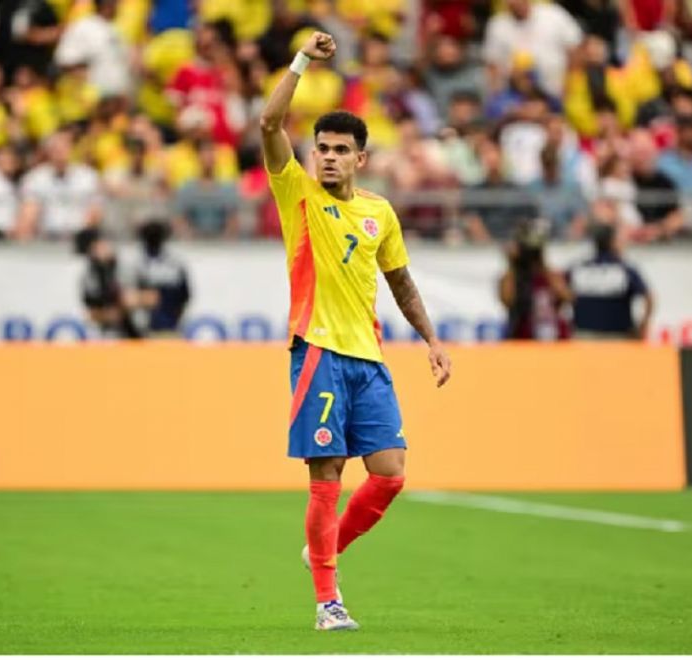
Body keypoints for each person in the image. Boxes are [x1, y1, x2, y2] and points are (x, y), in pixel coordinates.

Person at [260, 31, 452, 632]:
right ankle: (327, 601)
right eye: (322, 147)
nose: (328, 156)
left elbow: (401, 282)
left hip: (367, 359)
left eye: (341, 149)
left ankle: (324, 551)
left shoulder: (379, 213)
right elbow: (269, 123)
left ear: (361, 158)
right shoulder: (298, 194)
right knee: (326, 477)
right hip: (317, 352)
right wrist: (301, 63)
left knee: (391, 473)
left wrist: (430, 339)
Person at [567, 223, 654, 340]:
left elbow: (561, 291)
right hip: (618, 338)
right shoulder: (624, 270)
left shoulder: (578, 269)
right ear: (612, 242)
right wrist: (643, 325)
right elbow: (649, 298)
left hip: (584, 338)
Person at [498, 220, 572, 340]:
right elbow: (507, 300)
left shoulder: (549, 275)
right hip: (523, 339)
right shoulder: (512, 277)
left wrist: (541, 262)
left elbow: (566, 296)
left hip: (553, 338)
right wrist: (512, 264)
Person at [122, 221, 191, 337]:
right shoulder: (137, 263)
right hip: (145, 327)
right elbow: (128, 298)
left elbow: (184, 296)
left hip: (162, 326)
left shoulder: (174, 263)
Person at [75, 227, 137, 339]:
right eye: (101, 246)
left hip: (125, 331)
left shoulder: (121, 269)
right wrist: (106, 315)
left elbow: (131, 299)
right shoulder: (88, 274)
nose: (106, 250)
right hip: (98, 333)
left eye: (107, 246)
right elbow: (87, 312)